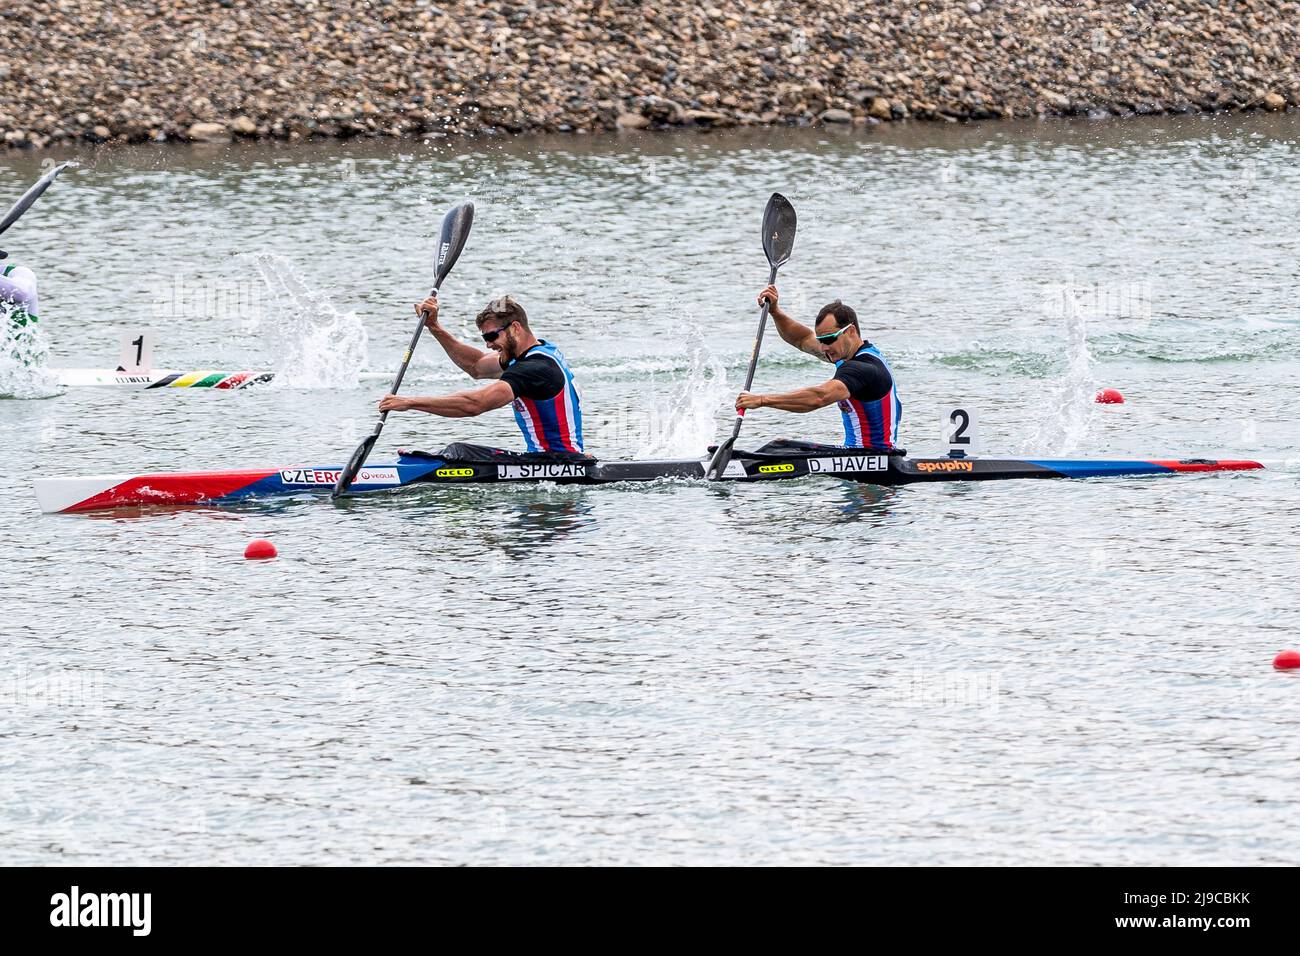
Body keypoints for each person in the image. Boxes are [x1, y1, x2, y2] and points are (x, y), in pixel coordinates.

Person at [378, 294, 585, 454]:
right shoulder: (536, 352)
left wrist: (410, 403)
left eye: (491, 336)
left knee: (458, 452)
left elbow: (475, 404)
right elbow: (476, 365)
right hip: (548, 460)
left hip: (557, 462)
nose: (487, 343)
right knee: (458, 453)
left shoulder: (535, 369)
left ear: (515, 328)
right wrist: (434, 326)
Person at [734, 286, 901, 449]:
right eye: (821, 341)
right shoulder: (847, 353)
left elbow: (819, 398)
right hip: (854, 455)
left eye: (828, 340)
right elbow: (802, 339)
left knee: (779, 446)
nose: (823, 347)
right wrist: (775, 311)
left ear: (850, 331)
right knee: (781, 446)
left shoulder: (864, 369)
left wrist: (761, 400)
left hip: (875, 460)